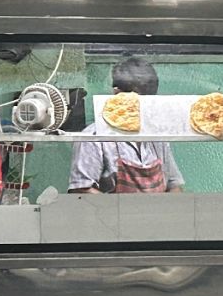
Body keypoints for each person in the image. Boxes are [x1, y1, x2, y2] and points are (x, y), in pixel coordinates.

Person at [68, 55, 185, 194]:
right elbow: (82, 190)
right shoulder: (94, 137)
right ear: (116, 93)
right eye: (135, 100)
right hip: (111, 215)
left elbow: (174, 185)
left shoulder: (156, 135)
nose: (142, 107)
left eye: (147, 101)